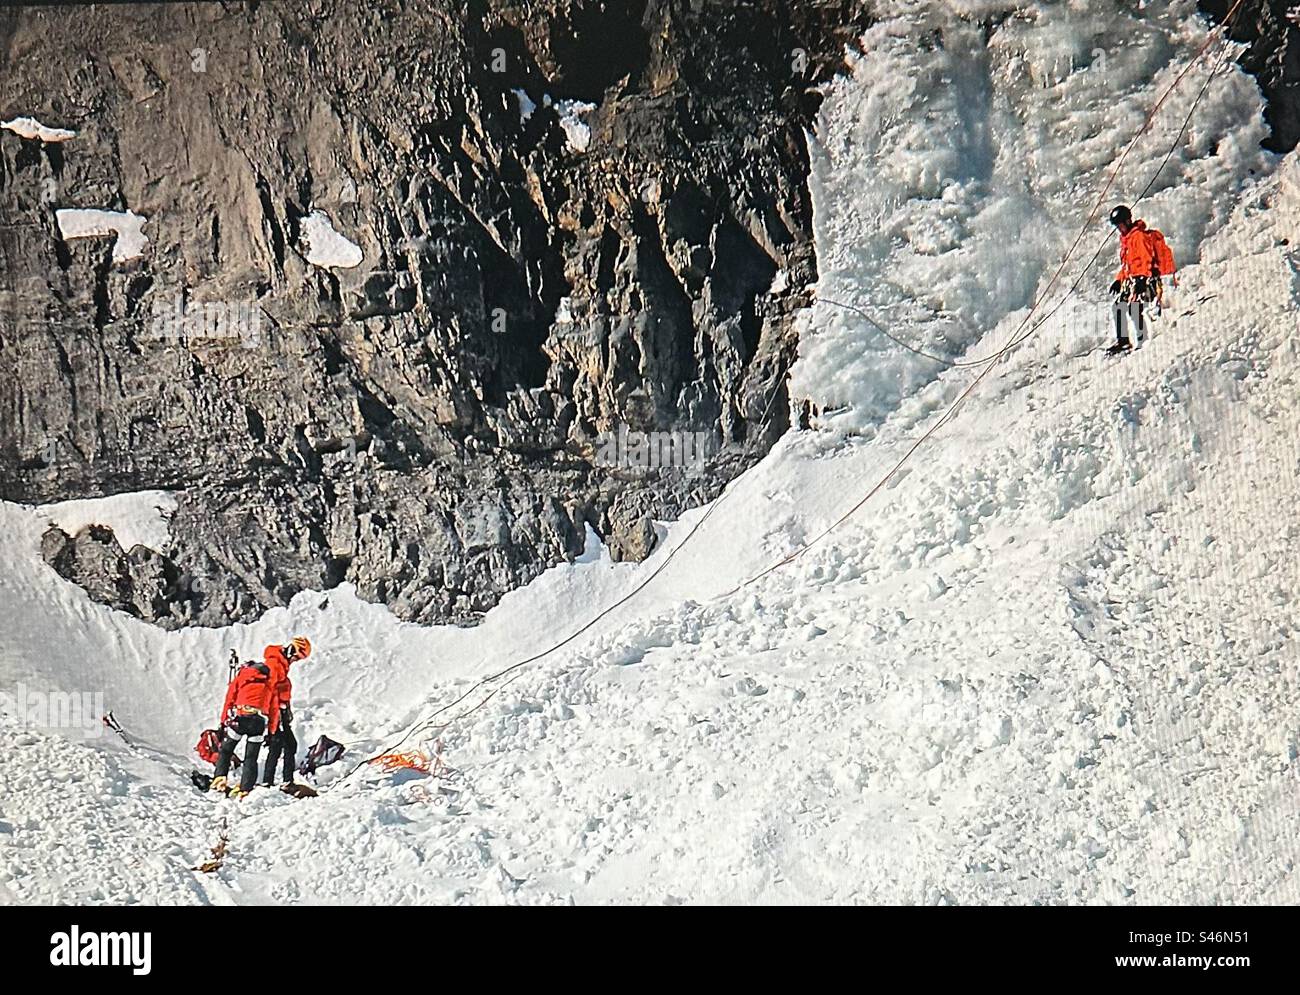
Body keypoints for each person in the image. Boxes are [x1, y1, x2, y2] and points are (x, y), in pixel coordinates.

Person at [210, 637, 309, 799]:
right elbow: (273, 701)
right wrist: (271, 727)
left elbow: (230, 696)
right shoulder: (275, 668)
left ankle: (219, 778)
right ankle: (248, 788)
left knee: (227, 749)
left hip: (240, 716)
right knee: (253, 755)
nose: (296, 660)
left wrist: (223, 720)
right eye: (297, 656)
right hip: (260, 719)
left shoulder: (248, 674)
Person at [1106, 205, 1176, 355]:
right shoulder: (1126, 239)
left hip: (1145, 279)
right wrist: (1119, 280)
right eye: (1117, 226)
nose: (1119, 228)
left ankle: (1142, 338)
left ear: (1127, 221)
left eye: (1120, 224)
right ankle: (1123, 341)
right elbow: (1128, 266)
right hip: (1133, 279)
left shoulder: (1138, 236)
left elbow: (1146, 259)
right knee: (1118, 306)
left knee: (1133, 307)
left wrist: (1142, 280)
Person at [262, 636, 310, 789]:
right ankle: (285, 781)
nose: (295, 660)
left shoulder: (279, 663)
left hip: (279, 712)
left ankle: (269, 781)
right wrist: (274, 715)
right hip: (276, 713)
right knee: (289, 744)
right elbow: (269, 690)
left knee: (278, 746)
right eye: (296, 657)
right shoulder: (275, 664)